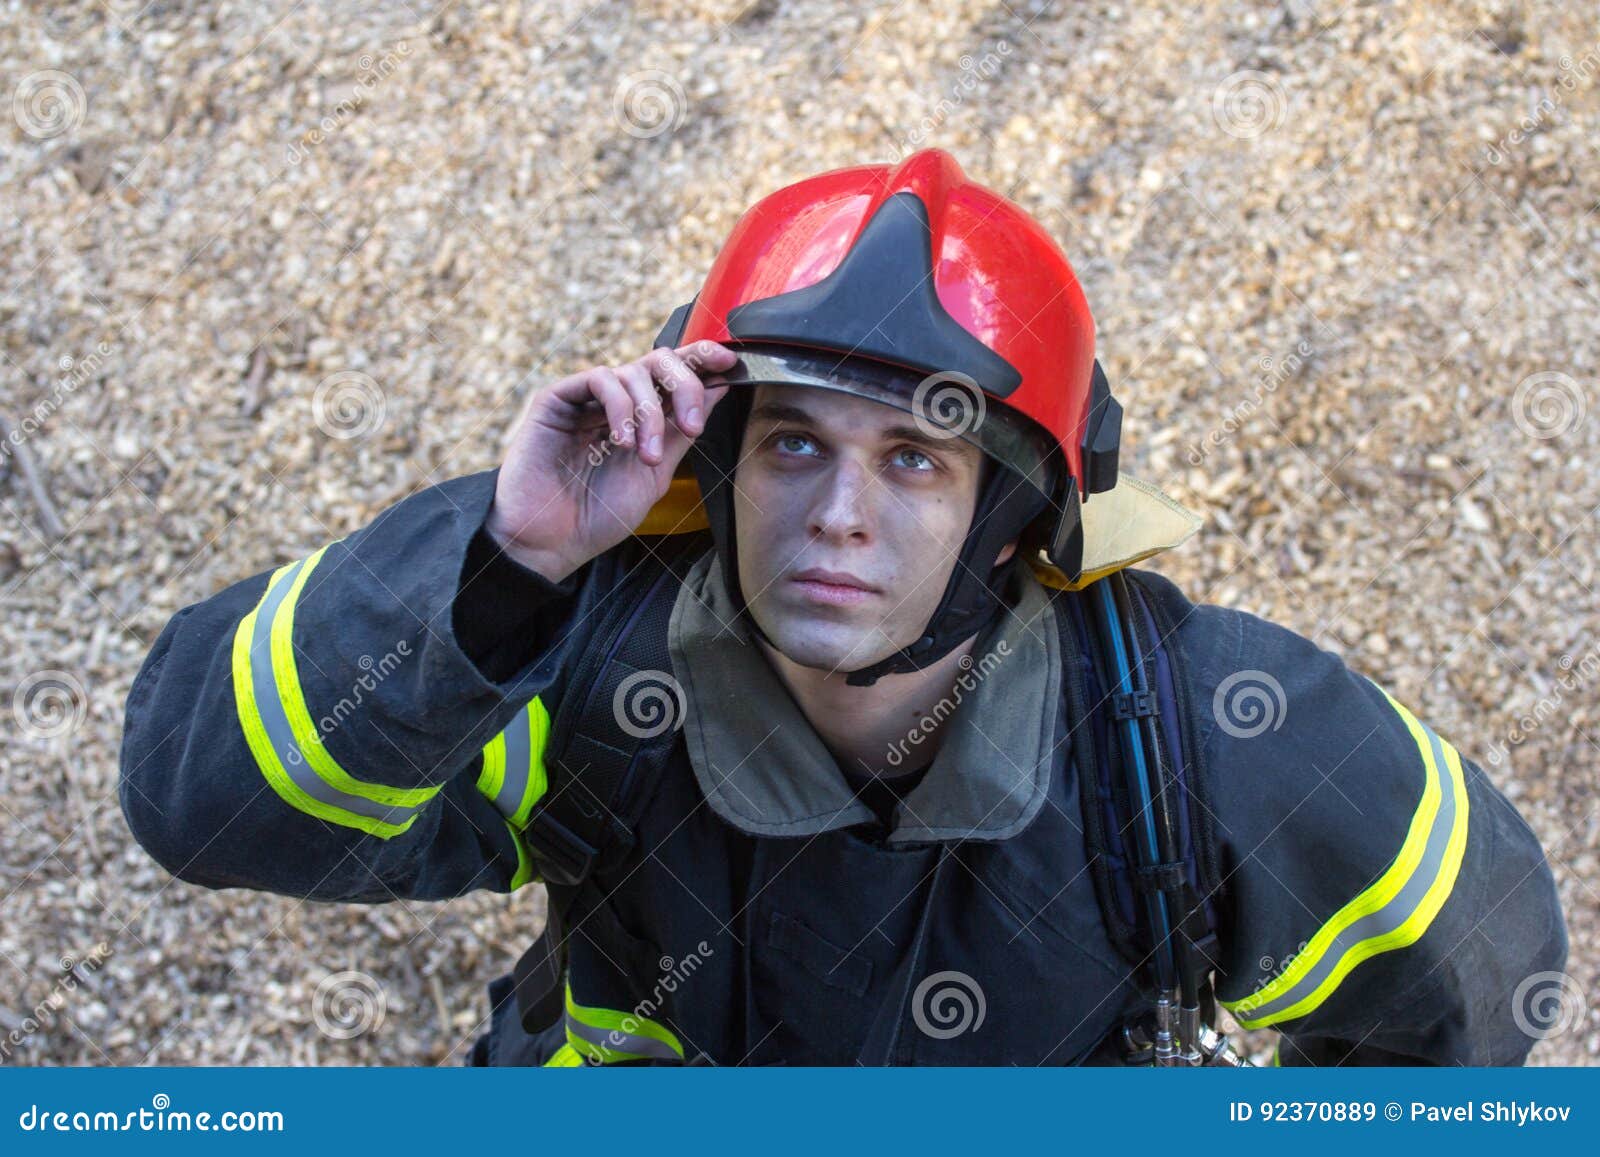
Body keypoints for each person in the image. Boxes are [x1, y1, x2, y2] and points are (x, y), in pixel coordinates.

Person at [119, 149, 1567, 1066]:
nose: (837, 512)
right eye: (792, 442)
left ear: (1012, 519)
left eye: (917, 459)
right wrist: (504, 562)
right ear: (718, 465)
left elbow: (1480, 990)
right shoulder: (577, 664)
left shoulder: (1208, 745)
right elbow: (209, 808)